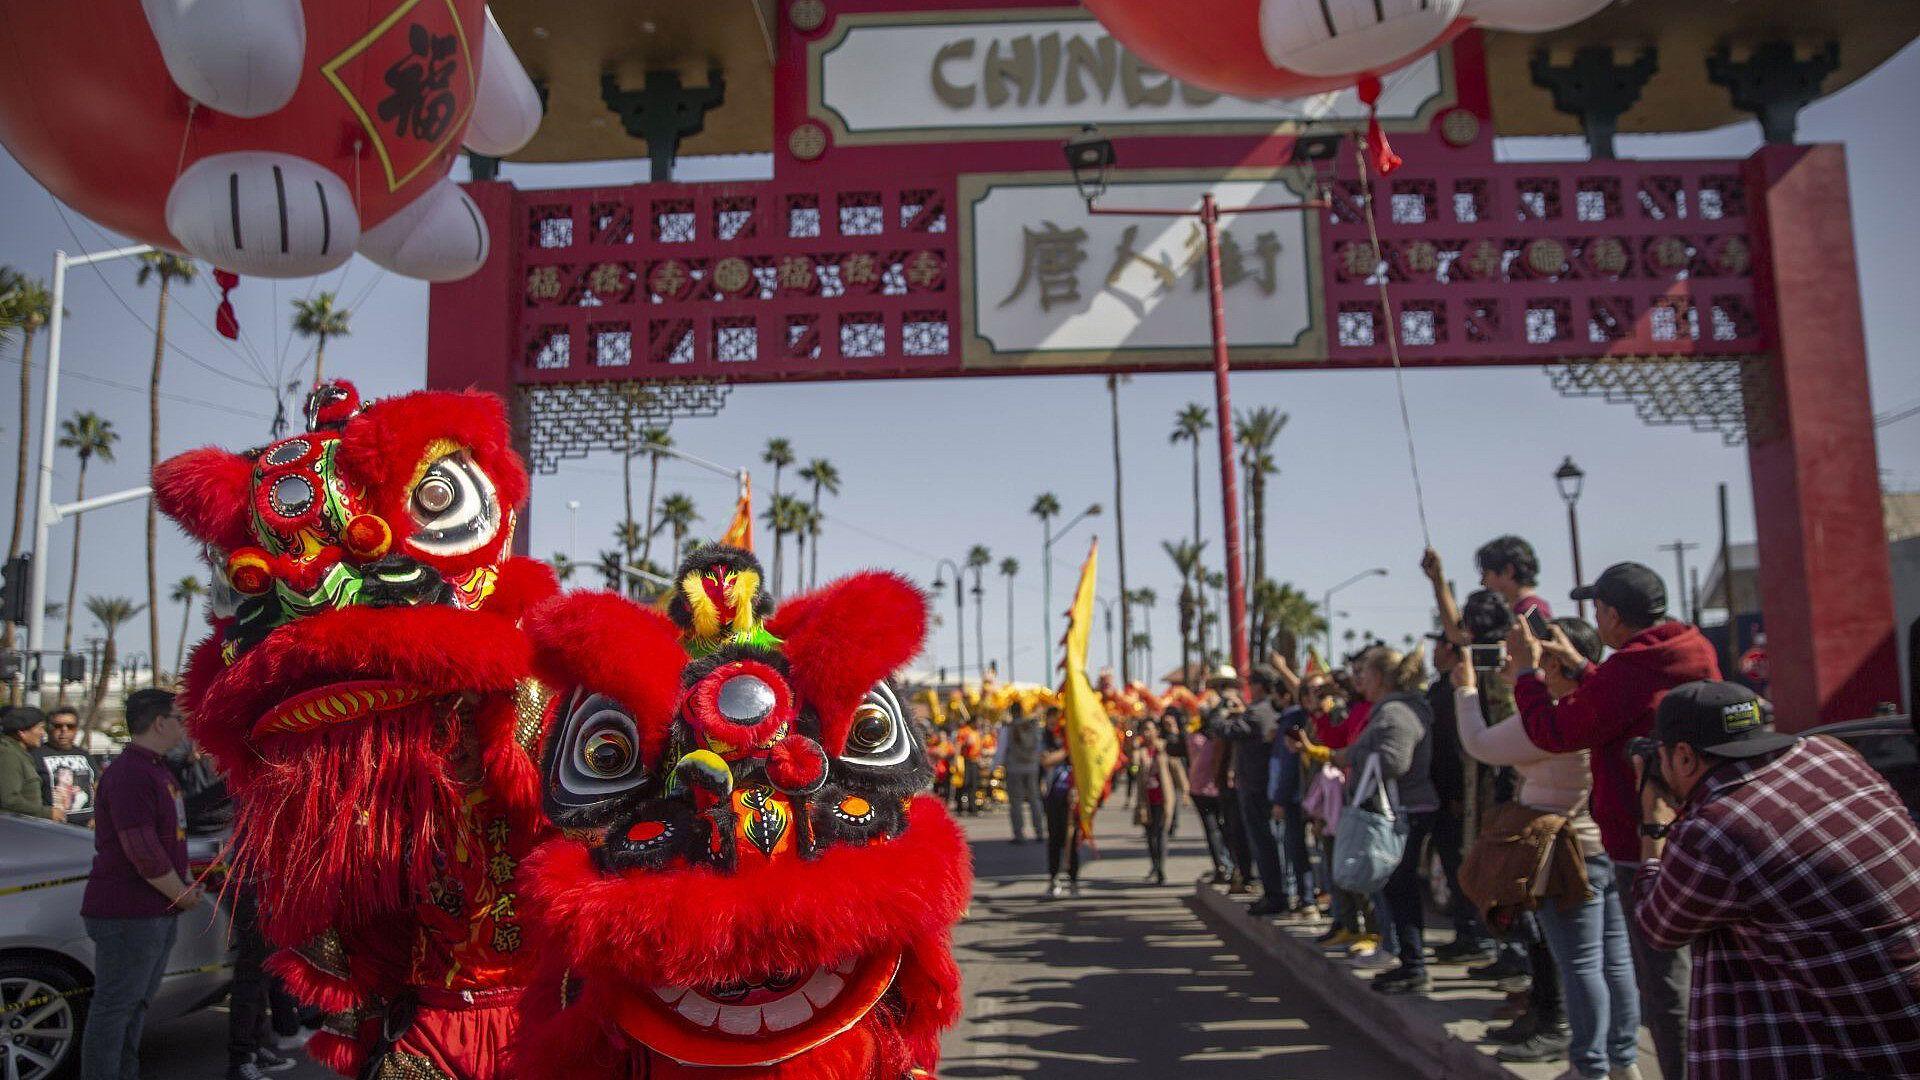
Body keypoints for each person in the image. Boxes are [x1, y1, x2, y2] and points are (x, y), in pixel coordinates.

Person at [1633, 681, 1920, 1079]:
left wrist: (1656, 824)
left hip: (1858, 1048)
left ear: (1683, 757)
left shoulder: (1714, 830)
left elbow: (1658, 926)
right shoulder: (1831, 755)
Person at [1512, 562, 1720, 1079]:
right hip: (1698, 832)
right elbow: (1632, 698)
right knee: (1671, 974)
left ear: (1609, 613)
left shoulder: (1631, 670)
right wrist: (1584, 670)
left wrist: (1526, 674)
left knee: (1664, 984)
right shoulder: (1691, 647)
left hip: (1641, 842)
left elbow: (1556, 730)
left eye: (1597, 608)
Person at [1460, 620, 1641, 1080]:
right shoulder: (1596, 705)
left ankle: (1590, 1067)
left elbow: (1480, 744)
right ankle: (1623, 1061)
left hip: (1562, 855)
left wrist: (1465, 693)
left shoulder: (1554, 719)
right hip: (1602, 847)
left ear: (1556, 661)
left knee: (1579, 966)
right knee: (1614, 962)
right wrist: (1518, 678)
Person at [80, 688, 200, 1080]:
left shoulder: (156, 768)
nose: (185, 727)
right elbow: (142, 850)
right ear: (160, 723)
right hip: (128, 914)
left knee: (135, 1007)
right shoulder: (132, 773)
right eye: (180, 719)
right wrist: (181, 894)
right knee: (115, 1009)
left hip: (152, 912)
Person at [1342, 646, 1439, 994]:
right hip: (1404, 810)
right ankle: (1407, 961)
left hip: (1402, 812)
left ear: (1380, 677)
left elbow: (1394, 761)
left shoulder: (1395, 712)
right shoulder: (1395, 709)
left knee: (1399, 887)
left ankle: (1413, 965)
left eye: (1364, 672)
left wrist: (1359, 758)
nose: (1359, 679)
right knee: (1396, 887)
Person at [1424, 636, 1494, 963]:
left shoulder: (1462, 691)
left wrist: (1456, 795)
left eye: (1438, 647)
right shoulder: (1439, 689)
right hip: (1439, 793)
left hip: (1457, 796)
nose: (1433, 653)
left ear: (1450, 651)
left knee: (1464, 868)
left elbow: (1458, 747)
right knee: (1454, 869)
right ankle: (1466, 933)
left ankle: (1478, 937)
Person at [1215, 666, 1298, 915]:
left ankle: (1275, 895)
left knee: (1264, 843)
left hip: (1256, 787)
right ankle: (1278, 892)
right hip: (1266, 786)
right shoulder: (1271, 710)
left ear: (1259, 685)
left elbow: (1225, 730)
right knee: (1272, 842)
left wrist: (1218, 712)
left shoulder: (1258, 712)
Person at [35, 706, 99, 826]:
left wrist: (99, 816)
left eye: (70, 726)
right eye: (58, 726)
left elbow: (97, 787)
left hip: (88, 826)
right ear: (49, 728)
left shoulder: (84, 755)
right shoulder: (36, 755)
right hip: (52, 827)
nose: (64, 730)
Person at [1040, 714, 1080, 898]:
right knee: (1054, 840)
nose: (1053, 726)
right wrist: (1066, 751)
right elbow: (1045, 760)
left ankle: (1073, 880)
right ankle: (1054, 879)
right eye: (1051, 723)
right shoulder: (1045, 740)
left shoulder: (1075, 738)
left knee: (1071, 839)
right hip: (1053, 796)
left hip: (1072, 796)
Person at [2, 705, 62, 820]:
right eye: (40, 728)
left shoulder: (19, 753)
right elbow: (9, 800)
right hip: (15, 830)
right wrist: (47, 813)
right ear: (22, 733)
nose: (43, 733)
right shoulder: (8, 755)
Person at [1133, 721, 1173, 885]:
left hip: (1163, 798)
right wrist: (1134, 756)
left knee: (1161, 833)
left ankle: (1161, 868)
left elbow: (1176, 767)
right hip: (1147, 800)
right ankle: (1155, 865)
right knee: (1151, 836)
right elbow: (1133, 770)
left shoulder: (1164, 748)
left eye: (1150, 729)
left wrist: (1185, 789)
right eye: (1144, 730)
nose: (1147, 733)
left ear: (1157, 731)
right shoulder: (1141, 751)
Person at [1478, 535, 1552, 621]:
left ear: (1508, 571)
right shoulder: (1524, 610)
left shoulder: (1528, 614)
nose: (1482, 582)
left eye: (1486, 574)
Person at [999, 704, 1044, 843]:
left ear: (1012, 712)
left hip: (1014, 767)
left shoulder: (1009, 727)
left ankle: (1019, 834)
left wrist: (997, 765)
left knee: (1016, 802)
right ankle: (1040, 831)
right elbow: (1039, 746)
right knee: (1034, 799)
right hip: (1031, 766)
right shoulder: (1033, 725)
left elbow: (1002, 748)